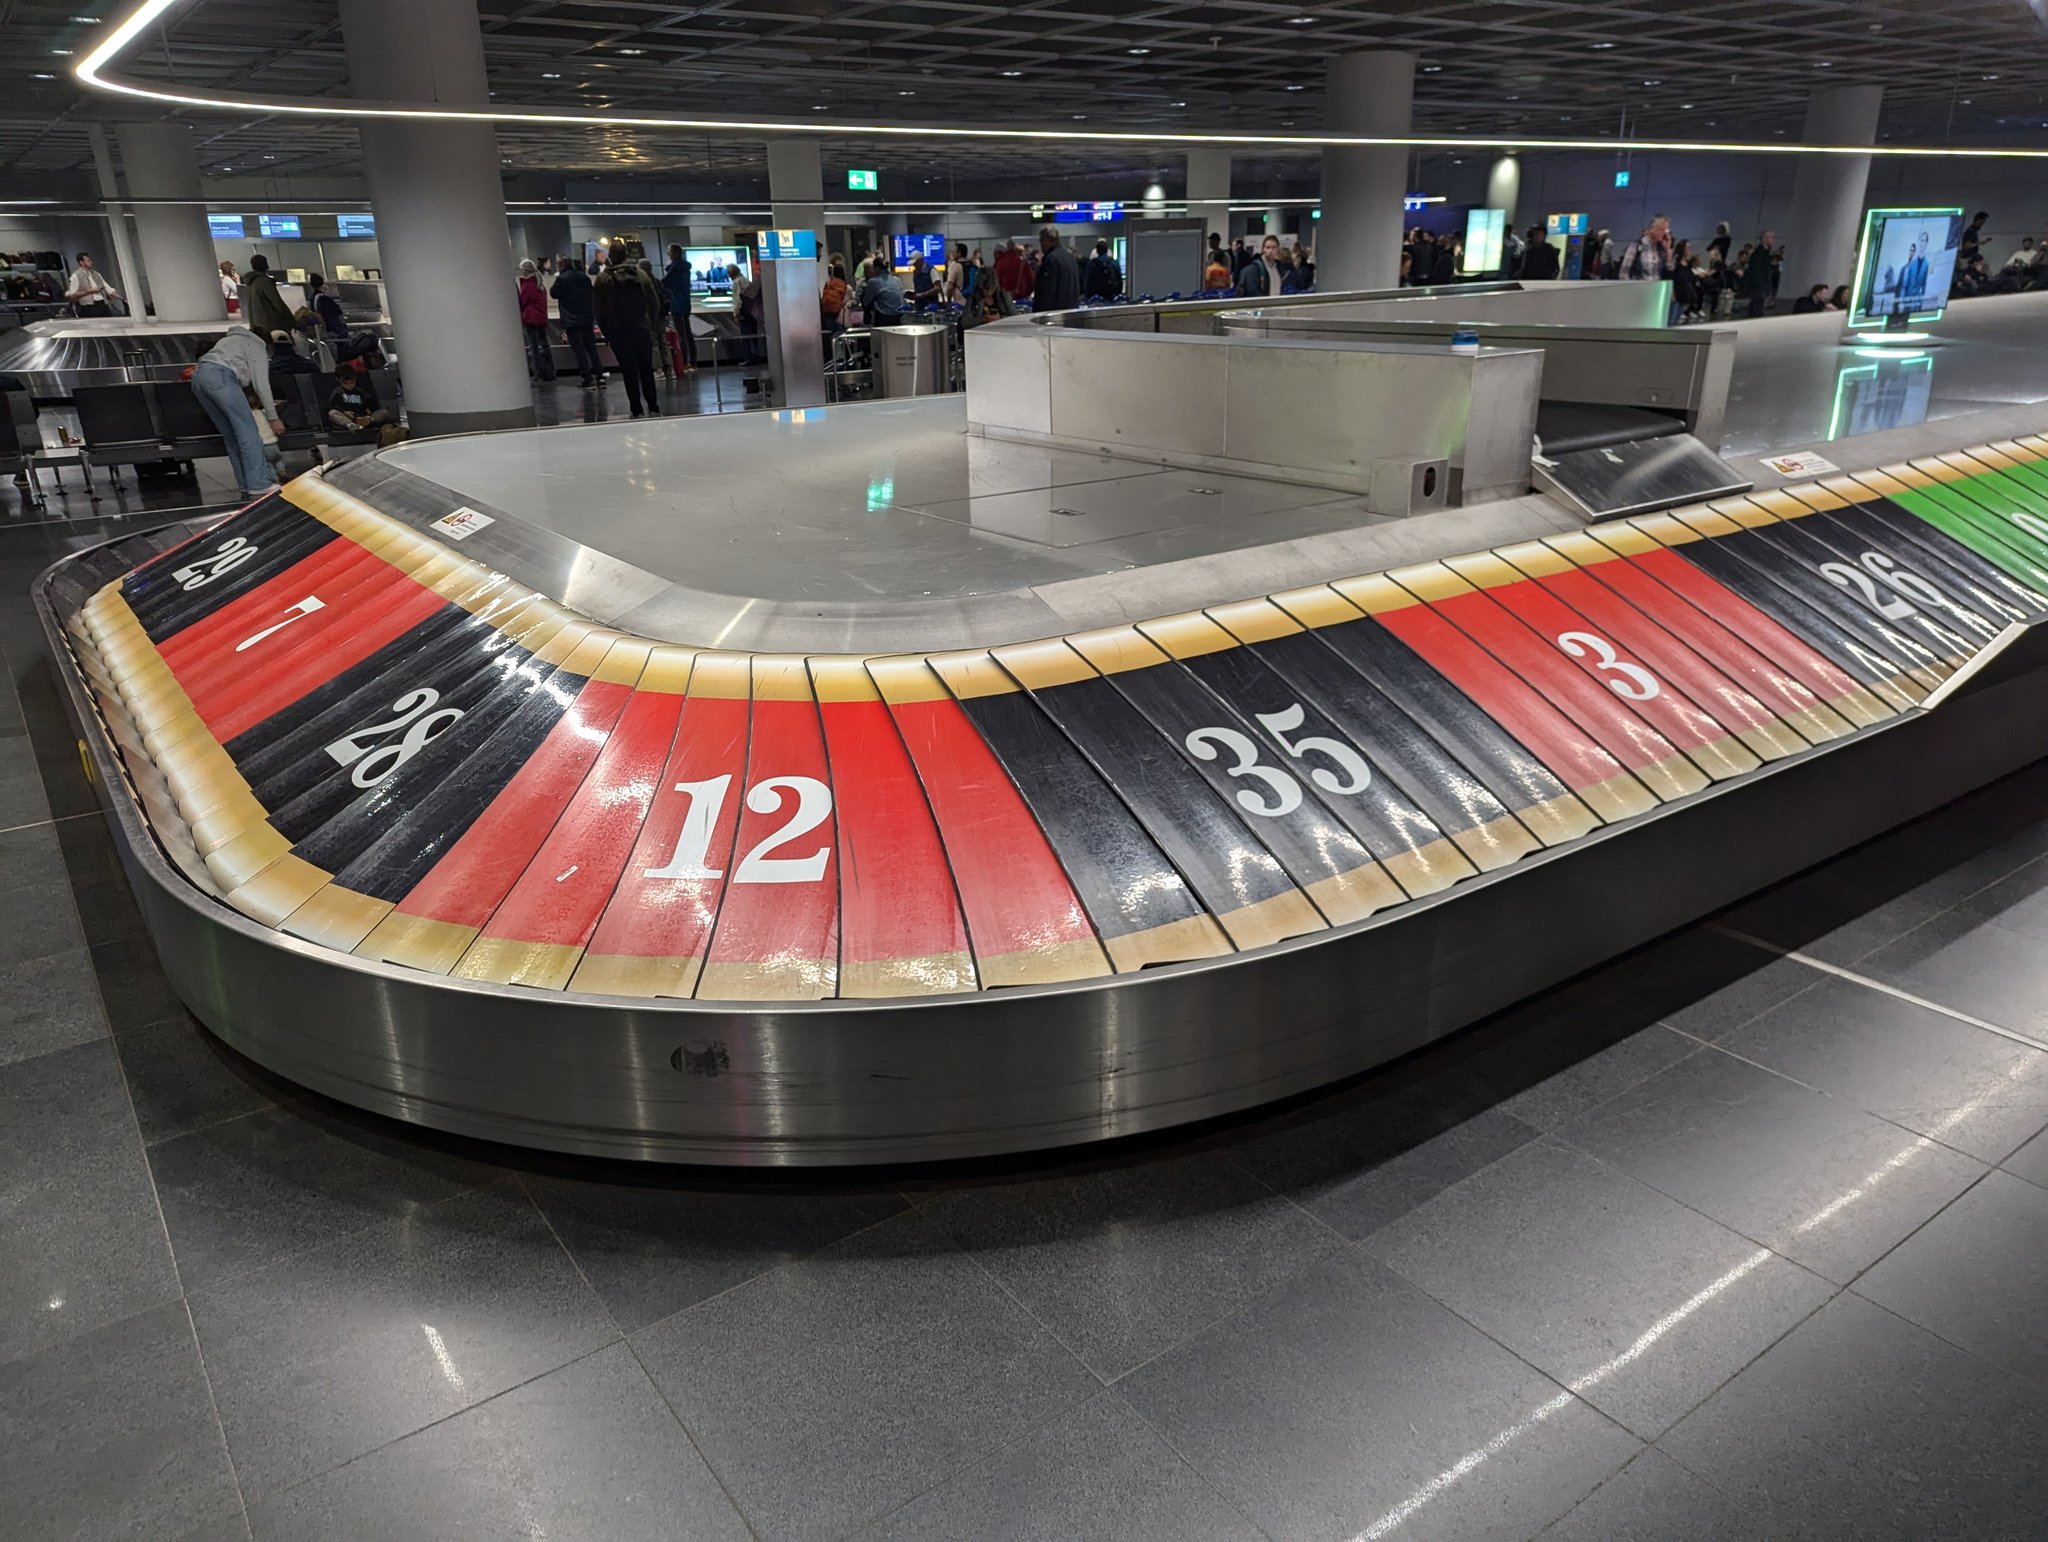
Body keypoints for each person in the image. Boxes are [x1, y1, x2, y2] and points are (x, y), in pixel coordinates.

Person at [190, 327, 283, 499]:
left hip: (198, 377)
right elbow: (262, 385)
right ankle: (259, 484)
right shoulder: (256, 345)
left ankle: (246, 485)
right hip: (221, 376)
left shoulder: (229, 341)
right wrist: (273, 417)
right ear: (267, 344)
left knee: (232, 436)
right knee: (250, 434)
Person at [593, 246, 662, 417]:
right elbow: (655, 303)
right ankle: (653, 407)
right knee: (646, 369)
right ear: (626, 256)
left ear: (610, 257)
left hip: (618, 331)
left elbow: (598, 310)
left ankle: (636, 410)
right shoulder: (640, 274)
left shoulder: (603, 278)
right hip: (641, 327)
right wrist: (651, 327)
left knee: (629, 370)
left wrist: (606, 332)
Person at [551, 257, 601, 388]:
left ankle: (587, 377)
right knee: (591, 349)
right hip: (586, 317)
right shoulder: (584, 278)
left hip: (571, 319)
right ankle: (600, 376)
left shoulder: (562, 279)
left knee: (579, 350)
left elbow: (553, 293)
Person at [325, 357, 396, 440]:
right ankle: (350, 425)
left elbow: (372, 405)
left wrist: (369, 416)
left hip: (362, 417)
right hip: (348, 418)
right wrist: (344, 412)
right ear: (338, 380)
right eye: (345, 383)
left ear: (355, 379)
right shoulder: (337, 393)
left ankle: (367, 421)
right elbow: (333, 407)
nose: (349, 386)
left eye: (351, 383)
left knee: (383, 412)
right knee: (332, 413)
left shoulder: (361, 392)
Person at [515, 260, 555, 381]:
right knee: (544, 344)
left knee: (534, 347)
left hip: (531, 319)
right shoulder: (540, 283)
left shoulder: (528, 284)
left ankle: (539, 372)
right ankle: (550, 371)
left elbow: (523, 302)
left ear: (526, 270)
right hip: (541, 318)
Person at [660, 244, 694, 373]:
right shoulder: (685, 267)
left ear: (674, 253)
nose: (668, 254)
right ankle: (692, 361)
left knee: (681, 335)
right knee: (688, 333)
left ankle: (683, 361)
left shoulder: (675, 268)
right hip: (685, 303)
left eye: (669, 252)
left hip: (677, 304)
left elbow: (665, 283)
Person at [1031, 224, 1080, 312]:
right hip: (1071, 309)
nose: (1041, 245)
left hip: (1053, 312)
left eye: (1042, 241)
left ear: (1049, 241)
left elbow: (1047, 291)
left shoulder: (1051, 260)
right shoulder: (1070, 257)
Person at [241, 254, 294, 336]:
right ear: (266, 266)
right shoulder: (265, 282)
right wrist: (291, 321)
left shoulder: (250, 283)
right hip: (272, 327)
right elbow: (278, 304)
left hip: (257, 327)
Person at [1616, 216, 1673, 282]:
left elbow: (1669, 271)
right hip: (1640, 289)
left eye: (1666, 230)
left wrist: (1667, 250)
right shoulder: (1636, 245)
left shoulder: (1661, 249)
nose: (1664, 234)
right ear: (1651, 229)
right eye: (1660, 229)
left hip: (1656, 289)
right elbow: (1624, 273)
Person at [1236, 233, 1290, 299]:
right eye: (1268, 247)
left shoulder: (1279, 268)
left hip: (1276, 304)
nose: (1271, 251)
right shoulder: (1255, 269)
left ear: (1278, 249)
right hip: (1262, 305)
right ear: (1263, 249)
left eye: (1274, 248)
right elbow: (1253, 292)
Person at [64, 252, 120, 316]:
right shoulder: (76, 276)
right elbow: (73, 295)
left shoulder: (96, 274)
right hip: (88, 306)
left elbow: (108, 289)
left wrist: (122, 299)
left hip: (102, 304)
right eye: (88, 261)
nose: (91, 262)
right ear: (81, 262)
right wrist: (89, 291)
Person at [856, 255, 906, 326]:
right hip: (898, 317)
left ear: (876, 268)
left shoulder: (874, 282)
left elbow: (866, 302)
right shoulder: (897, 280)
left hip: (883, 318)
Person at [1740, 231, 1777, 317]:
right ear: (1764, 239)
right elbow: (1756, 272)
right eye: (1771, 237)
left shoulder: (1764, 253)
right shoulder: (1758, 254)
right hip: (1758, 288)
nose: (1773, 240)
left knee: (1756, 311)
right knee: (1756, 312)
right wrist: (1762, 287)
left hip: (1760, 288)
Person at [304, 272, 346, 340]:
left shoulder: (311, 298)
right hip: (331, 330)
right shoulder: (325, 299)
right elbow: (337, 312)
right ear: (322, 284)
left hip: (320, 330)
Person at [820, 261, 850, 335]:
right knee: (840, 333)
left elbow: (824, 296)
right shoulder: (844, 285)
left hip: (827, 311)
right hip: (838, 313)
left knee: (831, 333)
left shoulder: (828, 283)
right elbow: (845, 300)